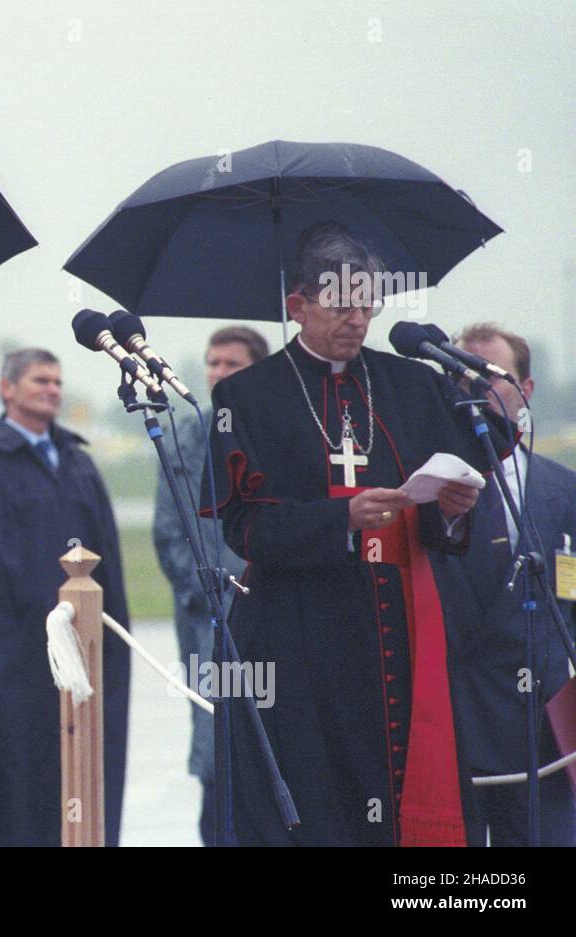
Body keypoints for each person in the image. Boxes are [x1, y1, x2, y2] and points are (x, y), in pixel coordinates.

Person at [201, 221, 505, 846]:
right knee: (316, 797)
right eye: (341, 304)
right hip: (296, 632)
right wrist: (342, 518)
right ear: (298, 305)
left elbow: (449, 497)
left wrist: (449, 508)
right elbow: (244, 526)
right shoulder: (246, 395)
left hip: (400, 620)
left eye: (367, 303)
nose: (357, 319)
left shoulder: (413, 383)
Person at [0, 348, 130, 846]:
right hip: (10, 651)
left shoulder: (78, 464)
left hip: (81, 645)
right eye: (39, 380)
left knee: (80, 766)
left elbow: (109, 566)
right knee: (12, 769)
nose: (52, 389)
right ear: (7, 388)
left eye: (57, 381)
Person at [429, 323, 575, 846]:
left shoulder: (564, 490)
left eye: (493, 377)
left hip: (541, 727)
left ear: (526, 390)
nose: (476, 389)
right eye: (462, 375)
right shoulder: (424, 486)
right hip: (452, 717)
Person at [154, 326, 267, 845]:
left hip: (274, 616)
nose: (219, 373)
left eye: (233, 364)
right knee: (216, 754)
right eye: (213, 363)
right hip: (210, 623)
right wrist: (202, 593)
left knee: (279, 752)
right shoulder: (181, 435)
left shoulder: (282, 434)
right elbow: (167, 533)